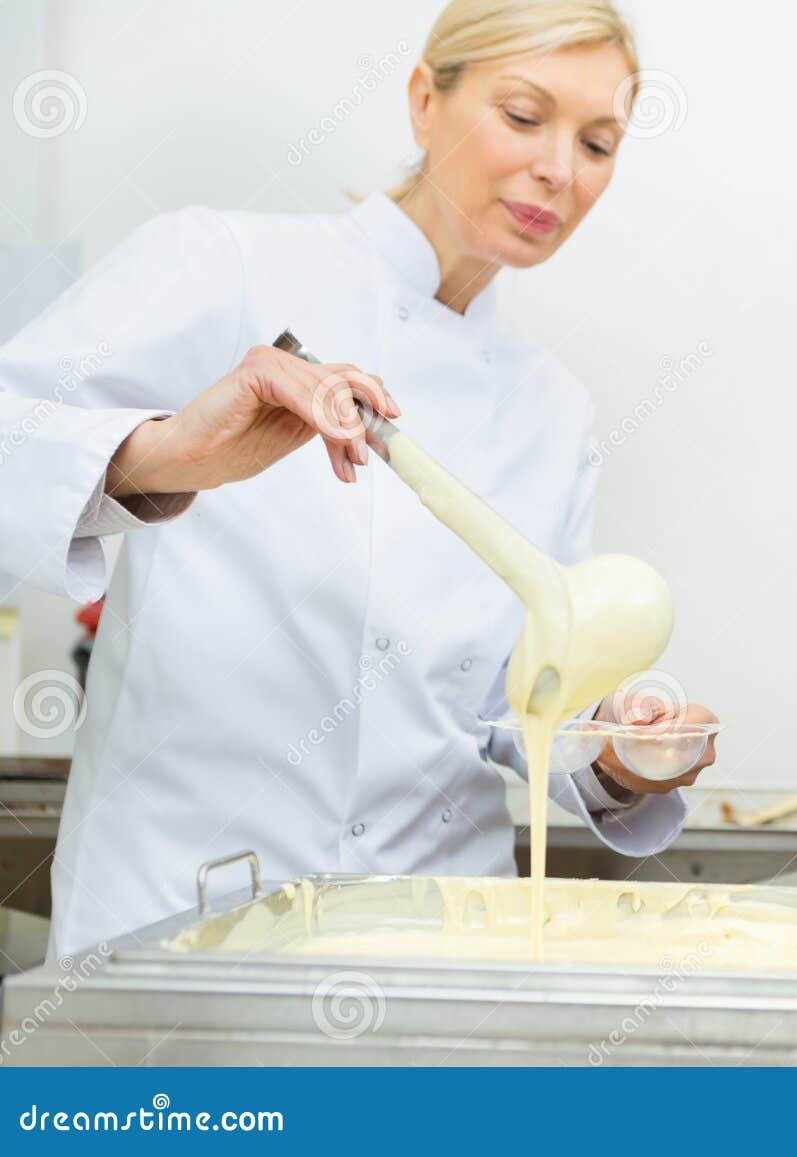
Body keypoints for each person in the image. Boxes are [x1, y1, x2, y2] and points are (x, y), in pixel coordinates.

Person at [0, 0, 717, 958]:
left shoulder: (556, 409)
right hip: (184, 922)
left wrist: (624, 755)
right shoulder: (223, 264)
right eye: (522, 115)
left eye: (598, 142)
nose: (559, 168)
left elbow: (516, 703)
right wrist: (168, 456)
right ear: (426, 99)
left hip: (438, 940)